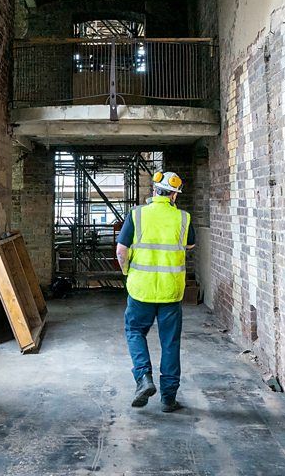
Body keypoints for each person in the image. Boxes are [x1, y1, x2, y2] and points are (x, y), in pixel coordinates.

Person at [115, 171, 196, 412]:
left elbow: (121, 250)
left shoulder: (136, 215)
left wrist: (127, 272)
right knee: (170, 342)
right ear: (174, 195)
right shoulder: (183, 218)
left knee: (134, 331)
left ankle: (143, 378)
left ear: (154, 191)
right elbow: (189, 244)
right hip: (171, 292)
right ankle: (168, 399)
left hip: (141, 290)